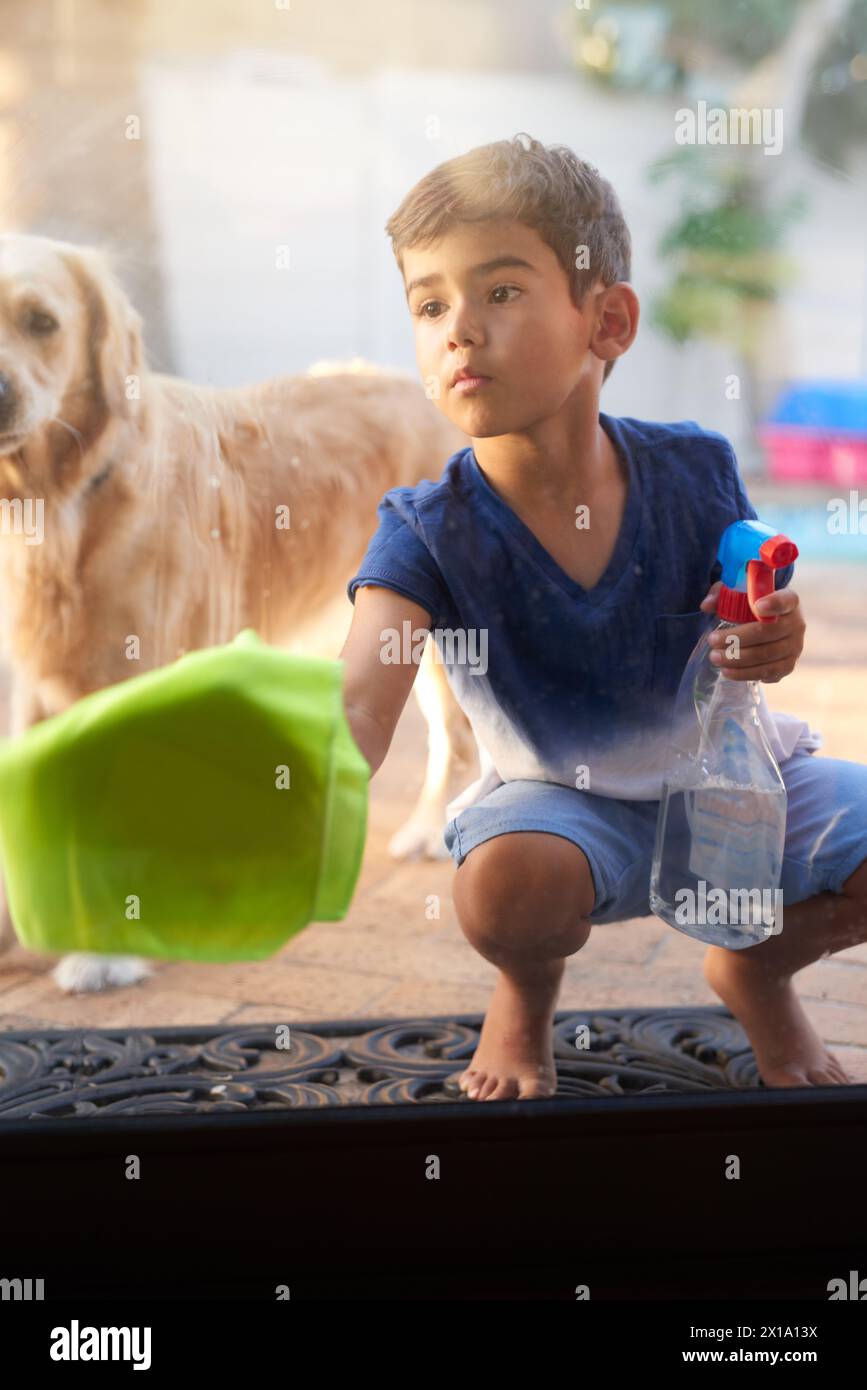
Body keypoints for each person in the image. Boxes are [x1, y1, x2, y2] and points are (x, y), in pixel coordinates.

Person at [338, 133, 867, 1099]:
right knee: (505, 887)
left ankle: (756, 965)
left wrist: (773, 638)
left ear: (607, 322)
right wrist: (293, 766)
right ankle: (523, 997)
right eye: (428, 303)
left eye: (499, 291)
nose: (457, 327)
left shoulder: (695, 468)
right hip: (558, 815)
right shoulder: (424, 529)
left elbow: (756, 620)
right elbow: (358, 708)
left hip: (730, 790)